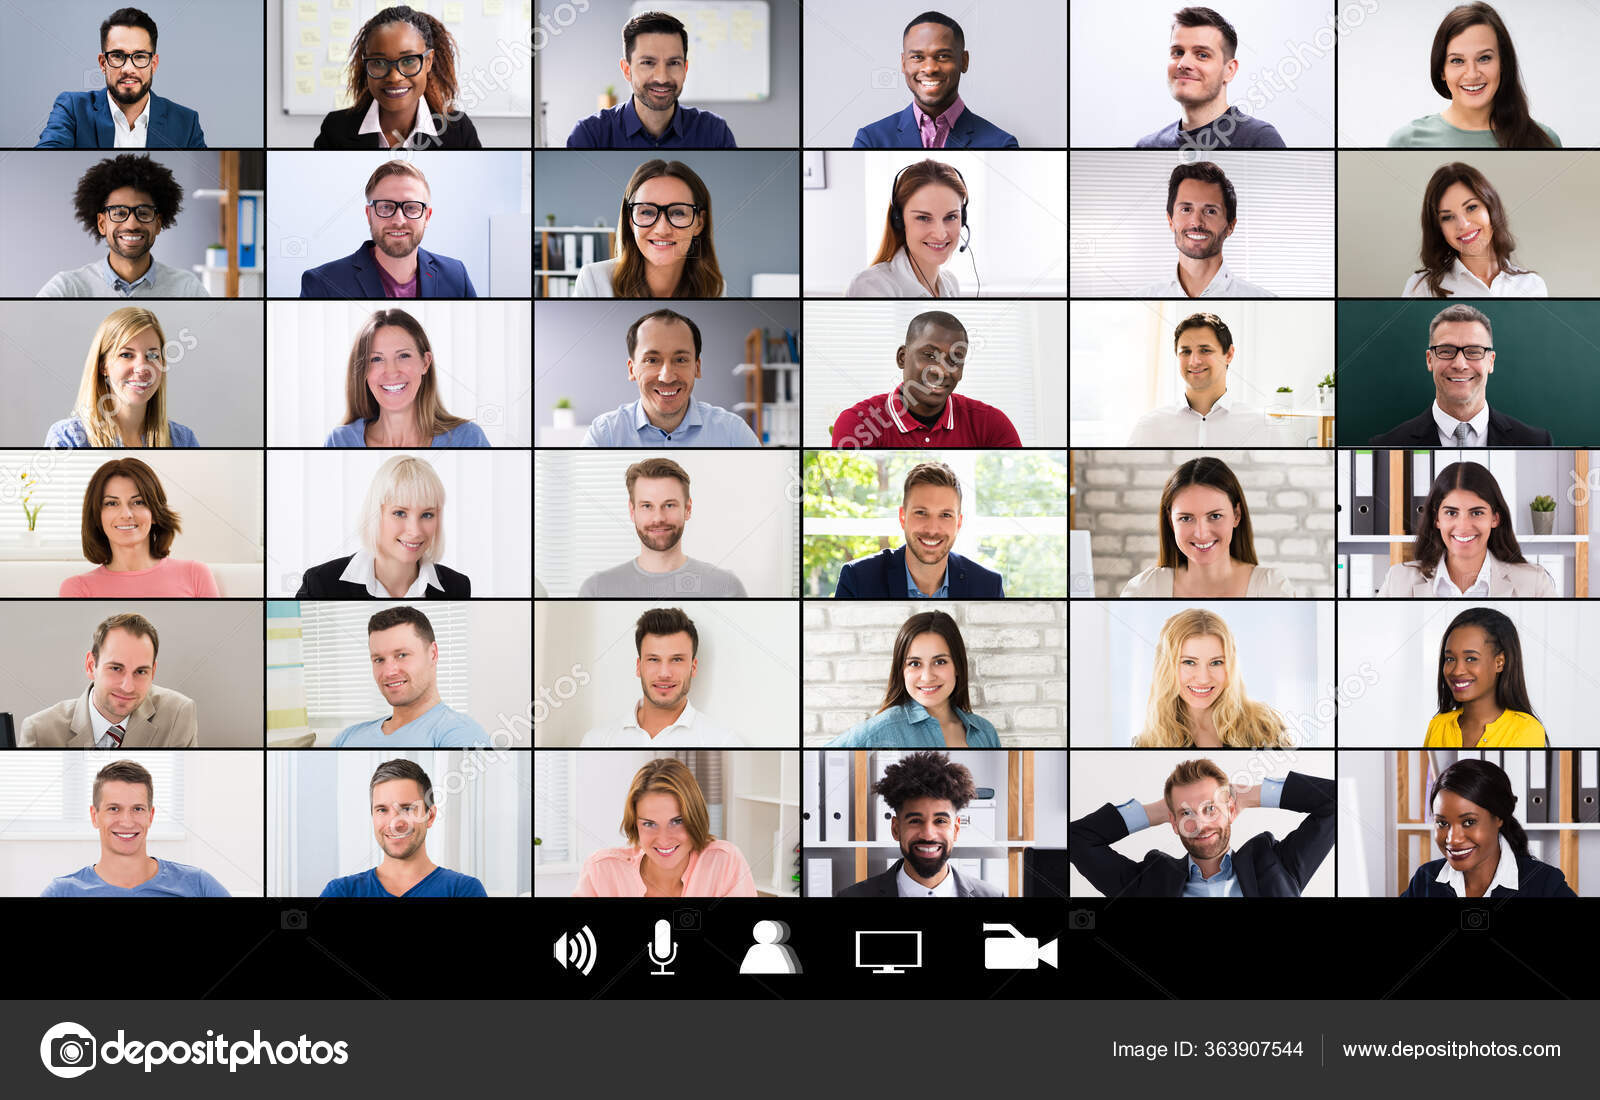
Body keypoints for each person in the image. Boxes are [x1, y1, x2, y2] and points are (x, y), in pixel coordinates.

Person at [1069, 760, 1335, 897]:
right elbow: (1076, 839)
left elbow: (1335, 803)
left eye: (1210, 809)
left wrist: (1249, 795)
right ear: (1174, 823)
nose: (1200, 824)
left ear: (1231, 810)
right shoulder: (1149, 883)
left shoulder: (1275, 865)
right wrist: (1157, 812)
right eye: (1187, 814)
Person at [830, 310, 1021, 448]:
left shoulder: (992, 424)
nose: (941, 371)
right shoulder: (858, 424)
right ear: (902, 357)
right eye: (929, 355)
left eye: (955, 360)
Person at [41, 760, 229, 896]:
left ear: (151, 816)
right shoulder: (62, 891)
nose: (127, 821)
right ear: (94, 816)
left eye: (137, 809)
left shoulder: (198, 884)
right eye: (114, 809)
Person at [1369, 305, 1551, 445]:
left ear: (1491, 361)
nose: (1460, 364)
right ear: (1429, 360)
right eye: (1446, 351)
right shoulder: (1386, 445)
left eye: (1473, 351)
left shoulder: (1536, 442)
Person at [1388, 2, 1560, 149]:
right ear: (1442, 71)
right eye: (1457, 61)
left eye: (1484, 58)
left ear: (1503, 64)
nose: (1472, 74)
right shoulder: (1406, 142)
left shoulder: (1543, 141)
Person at [574, 759, 756, 897]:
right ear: (635, 825)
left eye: (677, 821)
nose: (663, 839)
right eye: (649, 824)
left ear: (695, 818)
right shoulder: (602, 870)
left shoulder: (724, 862)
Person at [297, 455, 470, 598]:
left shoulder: (457, 587)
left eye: (427, 515)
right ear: (375, 514)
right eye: (400, 513)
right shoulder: (321, 584)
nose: (415, 531)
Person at [1120, 456, 1295, 596]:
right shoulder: (1143, 589)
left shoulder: (1272, 588)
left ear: (1236, 515)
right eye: (1186, 518)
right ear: (1170, 521)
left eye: (1215, 516)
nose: (1201, 533)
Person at [38, 153, 208, 298]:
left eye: (143, 213)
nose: (132, 224)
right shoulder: (67, 290)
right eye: (119, 213)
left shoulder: (187, 289)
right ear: (102, 224)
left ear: (158, 224)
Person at [836, 751, 1002, 897]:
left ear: (956, 830)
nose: (928, 834)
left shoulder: (993, 896)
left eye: (940, 821)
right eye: (915, 821)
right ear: (895, 829)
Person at [299, 161, 476, 298]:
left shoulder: (456, 275)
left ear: (427, 216)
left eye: (411, 207)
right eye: (386, 207)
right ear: (369, 215)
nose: (399, 220)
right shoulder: (322, 283)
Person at [35, 7, 205, 149]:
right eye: (117, 55)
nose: (128, 69)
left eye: (139, 56)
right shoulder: (72, 109)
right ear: (103, 63)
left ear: (153, 64)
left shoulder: (186, 123)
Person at [18, 613, 197, 748]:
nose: (128, 687)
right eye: (116, 668)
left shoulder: (178, 715)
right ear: (90, 666)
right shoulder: (39, 732)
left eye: (141, 671)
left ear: (153, 672)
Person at [1401, 758, 1574, 897]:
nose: (1453, 839)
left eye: (1469, 822)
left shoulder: (1545, 884)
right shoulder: (1424, 880)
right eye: (1442, 823)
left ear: (1498, 818)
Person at [1377, 461, 1555, 597]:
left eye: (1476, 513)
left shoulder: (1534, 583)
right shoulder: (1398, 581)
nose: (1463, 526)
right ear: (1436, 519)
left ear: (1495, 518)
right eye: (1451, 513)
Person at [582, 309, 758, 446]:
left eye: (680, 360)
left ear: (697, 367)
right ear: (632, 369)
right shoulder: (605, 434)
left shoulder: (734, 433)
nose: (667, 377)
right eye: (652, 360)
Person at [315, 5, 482, 149]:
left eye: (409, 60)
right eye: (379, 62)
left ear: (428, 61)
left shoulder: (458, 131)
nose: (394, 77)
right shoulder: (335, 130)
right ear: (366, 64)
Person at [577, 457, 748, 596]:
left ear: (687, 509)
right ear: (632, 510)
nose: (658, 518)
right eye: (647, 506)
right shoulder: (596, 589)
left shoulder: (726, 587)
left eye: (669, 505)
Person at [566, 10, 736, 149]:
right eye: (648, 62)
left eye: (673, 63)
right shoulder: (590, 136)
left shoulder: (715, 132)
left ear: (685, 69)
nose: (662, 78)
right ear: (627, 70)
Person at [828, 611, 999, 748]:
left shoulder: (985, 732)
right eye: (915, 663)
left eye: (940, 662)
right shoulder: (881, 730)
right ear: (901, 670)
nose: (927, 676)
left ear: (957, 667)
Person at [834, 461, 1004, 598]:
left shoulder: (988, 586)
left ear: (958, 523)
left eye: (945, 515)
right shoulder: (857, 580)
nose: (932, 529)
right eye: (921, 513)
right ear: (902, 517)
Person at [320, 759, 488, 897]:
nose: (395, 823)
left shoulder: (463, 890)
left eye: (407, 808)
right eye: (382, 810)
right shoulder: (341, 892)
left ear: (430, 816)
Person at [852, 11, 1019, 149]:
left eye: (943, 56)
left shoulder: (1001, 144)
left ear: (964, 61)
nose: (930, 68)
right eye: (917, 57)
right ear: (904, 64)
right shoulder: (870, 140)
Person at [579, 607, 745, 746]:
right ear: (639, 667)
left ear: (693, 668)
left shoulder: (723, 742)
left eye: (677, 659)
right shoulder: (596, 741)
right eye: (653, 659)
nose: (664, 673)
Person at [324, 309, 489, 447]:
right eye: (376, 359)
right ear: (363, 371)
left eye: (403, 355)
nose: (392, 372)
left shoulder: (468, 439)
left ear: (425, 363)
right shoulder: (339, 442)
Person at [329, 607, 491, 747]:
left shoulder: (459, 733)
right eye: (379, 660)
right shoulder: (347, 738)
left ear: (433, 654)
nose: (388, 672)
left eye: (402, 655)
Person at [60, 457, 218, 597]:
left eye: (138, 502)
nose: (126, 514)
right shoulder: (77, 588)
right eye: (112, 503)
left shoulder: (195, 574)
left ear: (155, 513)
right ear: (97, 517)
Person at [1135, 609, 1290, 748]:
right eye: (1189, 662)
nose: (1203, 679)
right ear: (1167, 667)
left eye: (1216, 662)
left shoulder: (1265, 726)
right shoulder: (1147, 744)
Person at [1135, 6, 1286, 149]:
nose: (1183, 63)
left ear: (1229, 70)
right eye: (1178, 52)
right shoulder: (1147, 147)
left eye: (1202, 55)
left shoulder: (1259, 139)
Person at [46, 307, 197, 447]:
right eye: (126, 355)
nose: (142, 369)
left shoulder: (183, 440)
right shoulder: (68, 438)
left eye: (152, 355)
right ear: (103, 366)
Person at [572, 159, 725, 298]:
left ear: (699, 223)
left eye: (678, 213)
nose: (662, 230)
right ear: (630, 220)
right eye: (647, 212)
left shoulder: (715, 288)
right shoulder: (593, 281)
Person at [1126, 311, 1279, 445]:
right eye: (1186, 352)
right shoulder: (1148, 427)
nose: (1194, 361)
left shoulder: (1262, 427)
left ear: (1229, 354)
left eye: (1205, 350)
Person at [1402, 163, 1546, 297]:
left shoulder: (1532, 285)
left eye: (1471, 208)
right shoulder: (1421, 287)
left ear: (1490, 208)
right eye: (1447, 217)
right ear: (1438, 228)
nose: (1463, 224)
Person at [1135, 161, 1273, 298]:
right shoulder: (1141, 299)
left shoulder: (1265, 299)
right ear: (1170, 220)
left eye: (1210, 211)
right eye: (1186, 209)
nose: (1196, 222)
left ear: (1230, 226)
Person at [1424, 607, 1546, 747]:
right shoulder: (1438, 725)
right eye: (1450, 659)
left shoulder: (1526, 730)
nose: (1457, 671)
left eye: (1471, 659)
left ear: (1499, 662)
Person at [846, 159, 967, 298]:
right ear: (899, 220)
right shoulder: (872, 286)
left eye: (951, 217)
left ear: (963, 218)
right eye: (923, 218)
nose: (940, 235)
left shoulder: (951, 283)